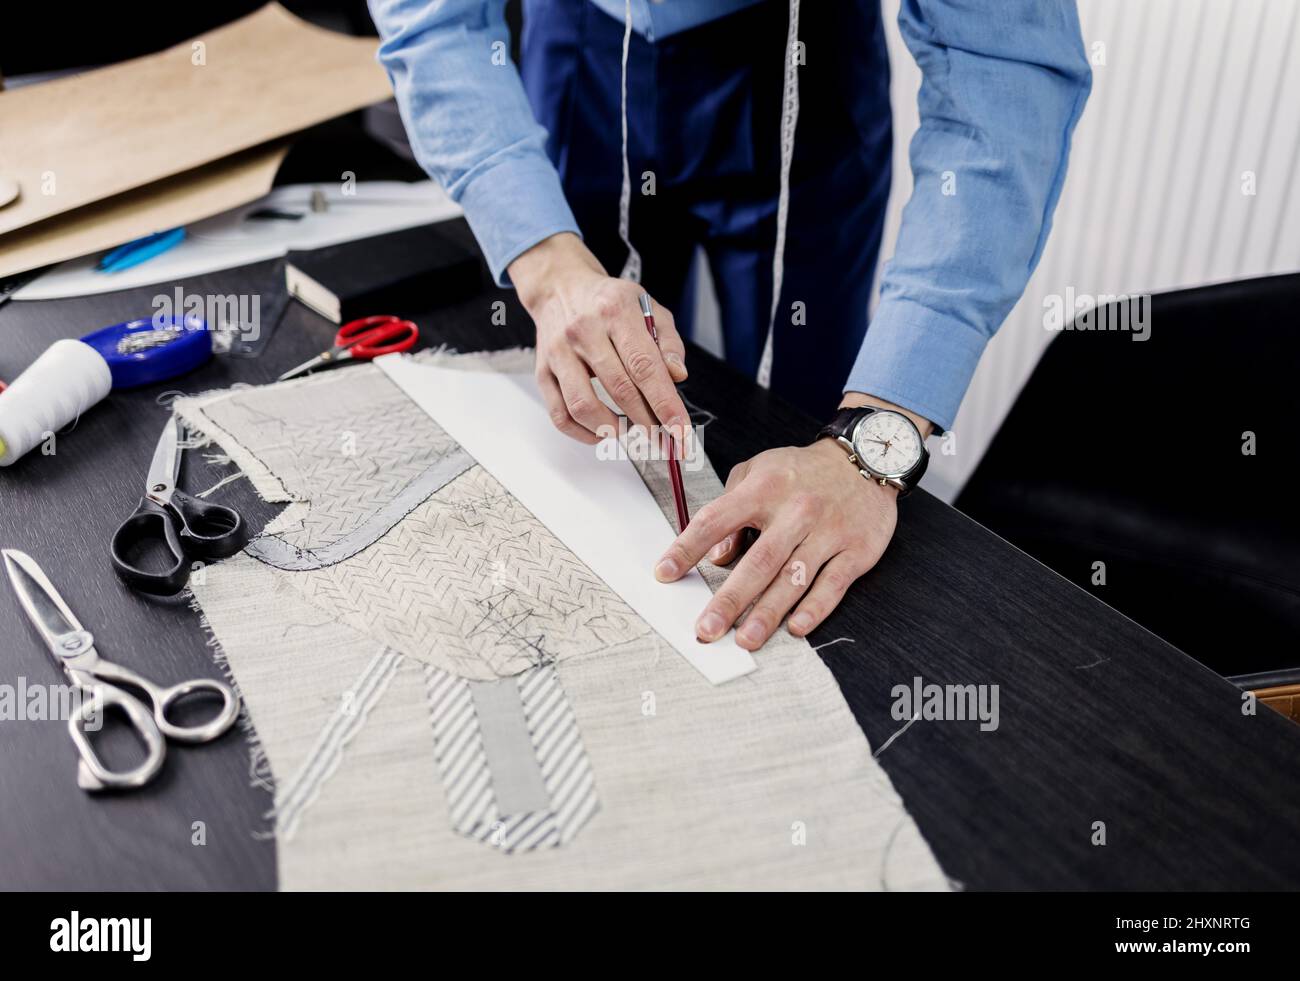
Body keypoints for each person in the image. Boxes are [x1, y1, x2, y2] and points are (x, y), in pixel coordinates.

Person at [369, 0, 1092, 651]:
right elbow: (432, 15)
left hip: (804, 59)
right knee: (594, 426)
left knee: (807, 495)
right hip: (579, 48)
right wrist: (547, 267)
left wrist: (876, 441)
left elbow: (1004, 64)